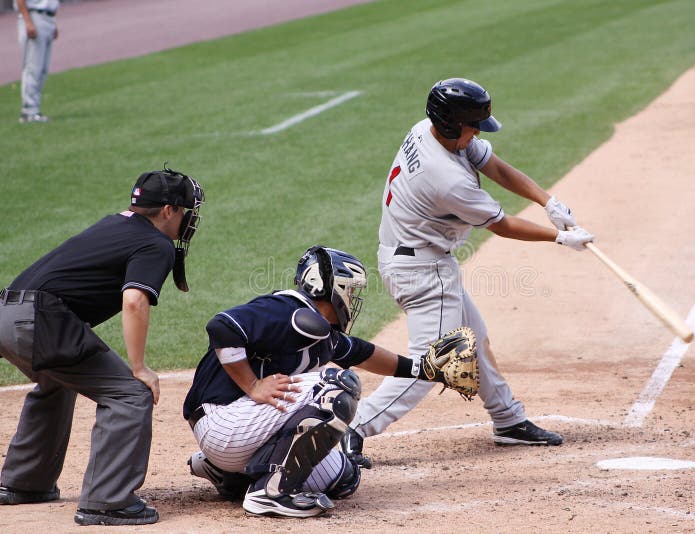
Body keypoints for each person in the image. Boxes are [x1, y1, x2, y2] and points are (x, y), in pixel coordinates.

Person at [340, 78, 595, 469]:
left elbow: (494, 166)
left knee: (473, 338)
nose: (477, 132)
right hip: (422, 269)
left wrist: (549, 201)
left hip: (415, 257)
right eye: (472, 126)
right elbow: (503, 225)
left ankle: (508, 420)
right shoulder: (446, 179)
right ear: (451, 125)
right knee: (432, 362)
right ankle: (351, 430)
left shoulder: (426, 130)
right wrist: (560, 237)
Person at [183, 245, 464, 518]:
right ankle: (270, 493)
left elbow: (363, 353)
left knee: (345, 478)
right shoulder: (287, 309)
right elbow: (222, 327)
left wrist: (425, 368)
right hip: (223, 421)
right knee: (337, 388)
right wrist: (253, 385)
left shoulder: (320, 331)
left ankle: (229, 475)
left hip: (242, 437)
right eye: (350, 290)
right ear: (332, 287)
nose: (352, 300)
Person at [0, 167, 205, 526]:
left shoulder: (116, 224)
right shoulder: (156, 244)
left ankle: (24, 482)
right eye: (185, 210)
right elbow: (134, 301)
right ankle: (106, 502)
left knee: (57, 380)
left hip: (7, 311)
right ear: (169, 210)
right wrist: (139, 368)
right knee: (129, 393)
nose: (188, 219)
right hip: (38, 320)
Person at [15, 0, 60, 123]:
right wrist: (28, 22)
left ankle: (34, 109)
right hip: (34, 17)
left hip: (47, 17)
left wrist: (53, 23)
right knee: (33, 68)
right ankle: (29, 111)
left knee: (42, 70)